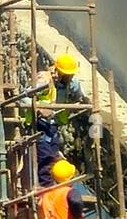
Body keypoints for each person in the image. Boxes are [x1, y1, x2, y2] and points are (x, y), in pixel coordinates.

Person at [28, 53, 88, 188]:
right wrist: (39, 109)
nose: (69, 77)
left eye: (70, 74)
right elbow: (23, 98)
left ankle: (54, 186)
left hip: (54, 126)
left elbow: (80, 97)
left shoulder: (72, 82)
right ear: (56, 70)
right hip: (40, 125)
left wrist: (80, 103)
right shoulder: (44, 80)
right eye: (65, 74)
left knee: (54, 158)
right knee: (45, 158)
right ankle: (46, 188)